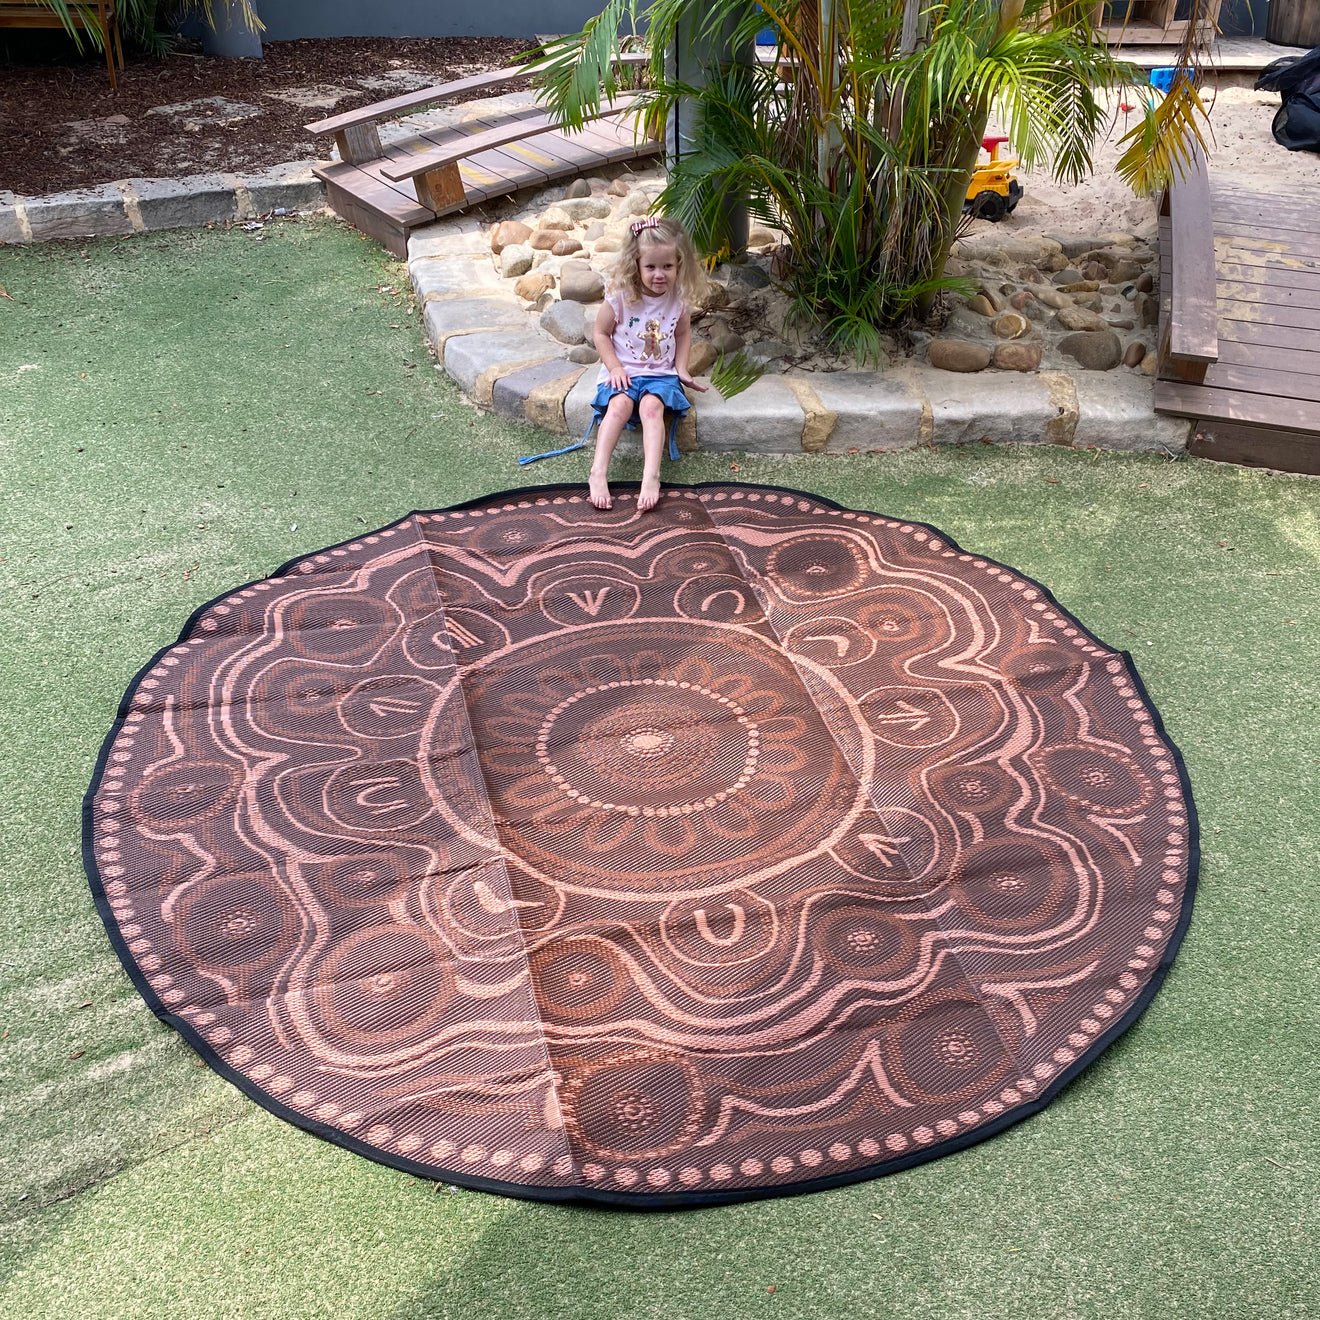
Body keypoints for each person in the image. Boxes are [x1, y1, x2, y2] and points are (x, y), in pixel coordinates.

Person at [588, 216, 708, 512]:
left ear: (678, 264)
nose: (659, 274)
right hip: (624, 371)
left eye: (667, 266)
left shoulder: (678, 298)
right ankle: (598, 472)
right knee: (618, 407)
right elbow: (600, 333)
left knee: (652, 408)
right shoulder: (620, 297)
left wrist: (681, 368)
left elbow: (682, 332)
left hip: (660, 374)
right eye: (650, 267)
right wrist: (615, 367)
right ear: (636, 265)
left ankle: (651, 476)